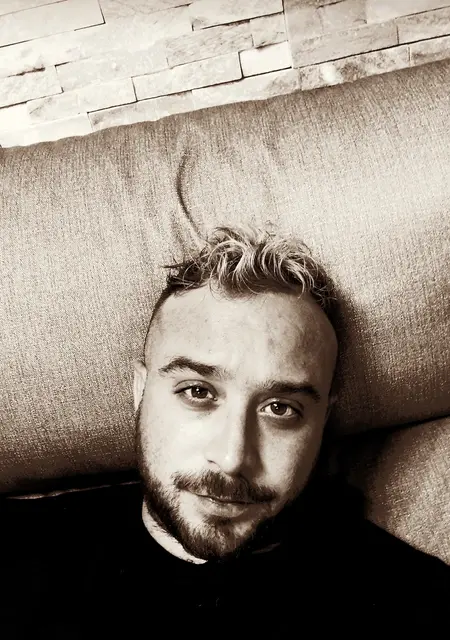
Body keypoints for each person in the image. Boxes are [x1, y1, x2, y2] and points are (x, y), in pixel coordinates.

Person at [1, 226, 448, 637]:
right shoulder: (17, 550)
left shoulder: (413, 602)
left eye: (280, 409)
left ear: (323, 423)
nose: (233, 457)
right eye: (198, 392)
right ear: (141, 392)